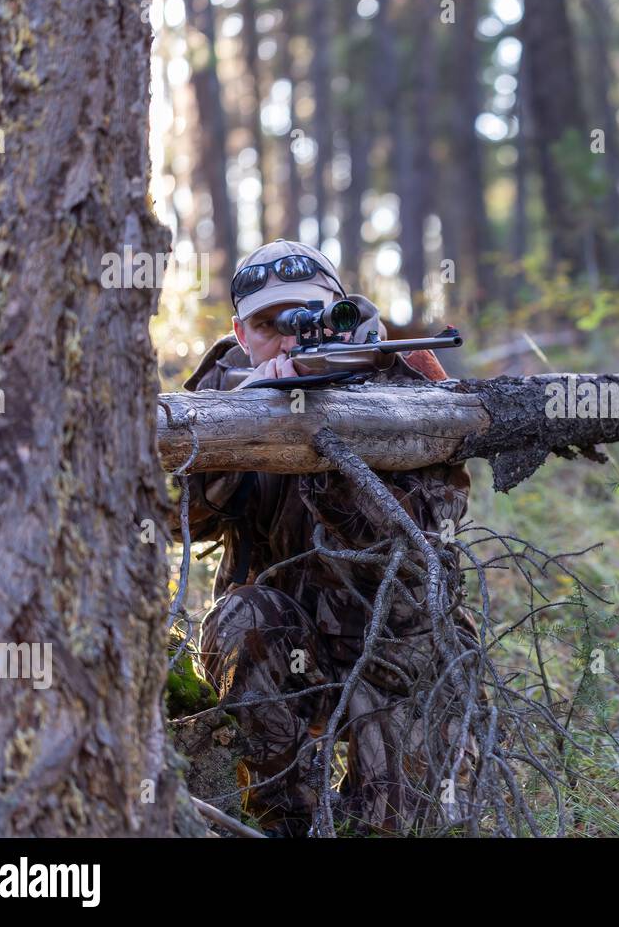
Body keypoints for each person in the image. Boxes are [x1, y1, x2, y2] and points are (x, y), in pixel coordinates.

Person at [169, 239, 475, 836]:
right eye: (269, 325)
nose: (293, 339)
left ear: (341, 309)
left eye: (310, 317)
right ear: (240, 333)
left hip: (397, 645)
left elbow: (430, 525)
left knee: (398, 826)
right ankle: (282, 818)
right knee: (240, 617)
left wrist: (333, 434)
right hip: (284, 646)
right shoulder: (225, 386)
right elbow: (177, 516)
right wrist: (253, 415)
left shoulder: (402, 374)